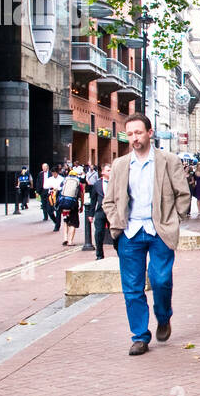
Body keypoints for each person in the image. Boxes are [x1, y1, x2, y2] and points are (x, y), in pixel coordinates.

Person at [102, 115, 191, 356]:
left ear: (150, 133)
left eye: (138, 133)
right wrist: (115, 220)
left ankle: (163, 317)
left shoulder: (168, 161)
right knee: (132, 288)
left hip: (158, 230)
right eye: (130, 134)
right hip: (129, 233)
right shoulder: (120, 165)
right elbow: (109, 200)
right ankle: (140, 336)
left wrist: (176, 218)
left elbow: (183, 194)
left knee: (161, 280)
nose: (134, 138)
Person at [57, 165, 85, 245]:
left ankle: (65, 238)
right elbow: (81, 195)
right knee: (73, 222)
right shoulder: (78, 183)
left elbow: (59, 191)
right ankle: (70, 241)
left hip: (64, 203)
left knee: (66, 220)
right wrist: (82, 205)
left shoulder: (64, 181)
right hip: (73, 204)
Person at [92, 163, 111, 260]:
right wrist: (91, 214)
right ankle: (99, 255)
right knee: (99, 233)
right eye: (108, 170)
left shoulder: (115, 183)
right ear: (103, 172)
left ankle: (120, 253)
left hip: (112, 213)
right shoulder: (97, 184)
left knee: (115, 234)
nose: (110, 172)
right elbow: (93, 200)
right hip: (100, 212)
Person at [45, 165, 64, 231]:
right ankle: (56, 221)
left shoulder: (61, 178)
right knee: (49, 211)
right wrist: (51, 186)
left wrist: (58, 188)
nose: (54, 174)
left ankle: (57, 226)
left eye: (55, 173)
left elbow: (63, 187)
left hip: (58, 194)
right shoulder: (50, 179)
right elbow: (45, 186)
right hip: (51, 195)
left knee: (58, 211)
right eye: (52, 173)